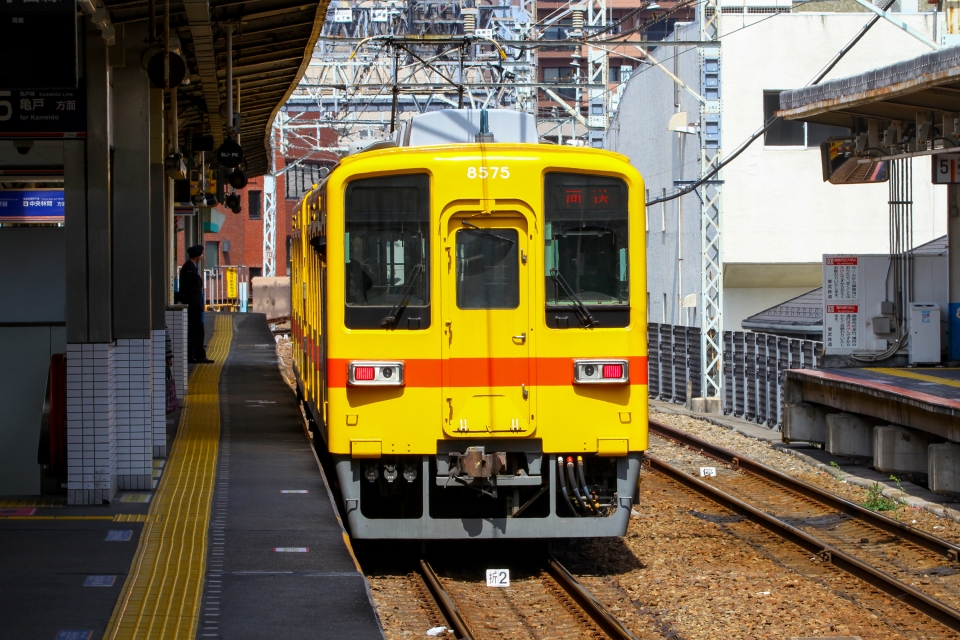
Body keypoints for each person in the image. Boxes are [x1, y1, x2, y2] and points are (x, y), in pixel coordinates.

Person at [178, 245, 214, 364]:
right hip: (192, 306)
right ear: (198, 256)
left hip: (193, 305)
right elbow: (189, 288)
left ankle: (194, 355)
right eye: (201, 255)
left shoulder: (191, 267)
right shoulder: (189, 268)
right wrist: (194, 302)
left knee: (195, 331)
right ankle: (197, 355)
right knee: (196, 331)